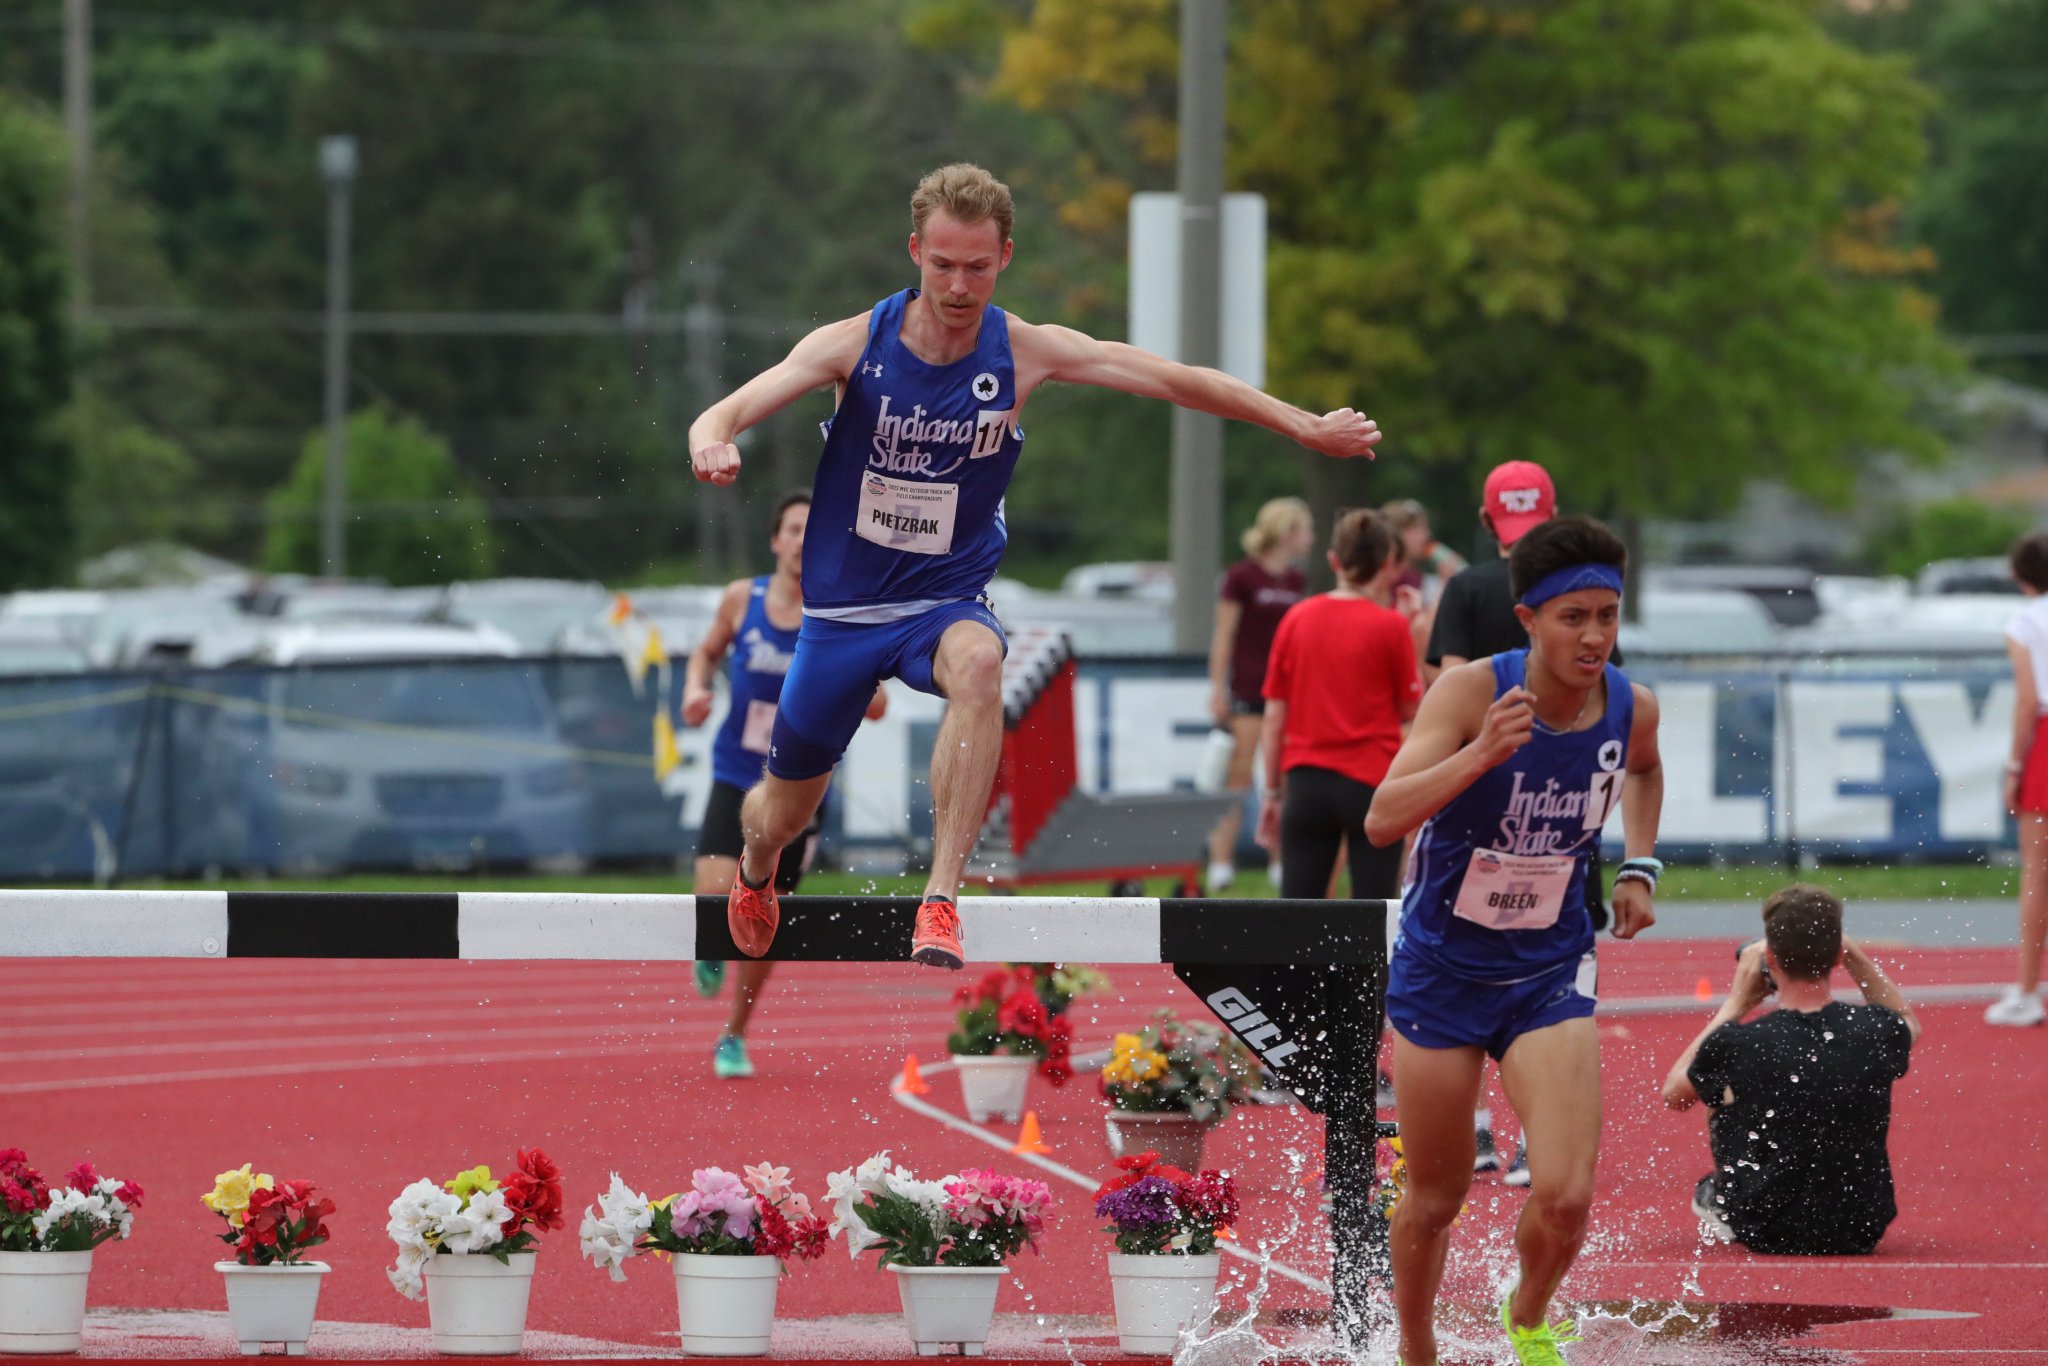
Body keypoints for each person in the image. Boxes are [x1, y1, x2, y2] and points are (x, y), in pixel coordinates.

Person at [688, 163, 1382, 969]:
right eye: (942, 264)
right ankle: (759, 869)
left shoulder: (1024, 352)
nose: (958, 284)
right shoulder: (856, 344)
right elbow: (726, 408)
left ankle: (940, 899)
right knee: (781, 813)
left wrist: (1302, 425)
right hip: (842, 615)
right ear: (915, 250)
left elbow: (1173, 378)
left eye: (977, 267)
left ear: (1005, 258)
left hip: (942, 602)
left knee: (983, 665)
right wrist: (713, 440)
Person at [1363, 515, 1664, 1366]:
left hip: (1547, 970)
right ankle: (1416, 1345)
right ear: (1527, 617)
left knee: (1566, 1196)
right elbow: (1383, 819)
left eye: (1608, 614)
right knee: (1435, 1198)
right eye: (1575, 617)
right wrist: (1481, 753)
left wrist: (1639, 865)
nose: (1596, 636)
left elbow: (1642, 766)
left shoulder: (1629, 706)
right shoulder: (1468, 695)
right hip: (1442, 973)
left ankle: (1526, 1317)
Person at [679, 492, 887, 1079]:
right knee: (715, 887)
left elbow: (875, 701)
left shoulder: (836, 611)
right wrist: (696, 689)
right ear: (776, 540)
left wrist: (860, 690)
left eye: (812, 530)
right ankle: (708, 947)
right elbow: (706, 652)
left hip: (797, 788)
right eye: (792, 529)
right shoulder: (740, 599)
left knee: (764, 918)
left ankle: (735, 1035)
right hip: (734, 771)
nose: (801, 540)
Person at [1660, 884, 1920, 1254]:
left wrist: (1736, 1002)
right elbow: (1908, 1020)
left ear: (1770, 959)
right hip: (1861, 1225)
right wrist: (1854, 956)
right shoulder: (1876, 1030)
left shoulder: (1740, 1042)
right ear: (1837, 957)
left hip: (1766, 1224)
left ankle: (1725, 1194)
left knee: (1718, 1086)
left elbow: (1675, 1094)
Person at [1254, 508, 1420, 900]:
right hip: (1369, 783)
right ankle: (1366, 966)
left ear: (1334, 561)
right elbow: (1413, 713)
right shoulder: (1391, 626)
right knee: (1372, 917)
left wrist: (1273, 794)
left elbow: (1274, 717)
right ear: (1388, 563)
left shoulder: (1296, 619)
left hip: (1307, 781)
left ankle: (1299, 965)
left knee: (1298, 920)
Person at [1205, 496, 1313, 891]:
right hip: (1249, 689)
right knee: (1238, 775)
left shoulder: (1297, 581)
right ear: (1287, 531)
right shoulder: (1243, 576)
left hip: (1286, 692)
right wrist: (1217, 688)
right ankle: (1221, 862)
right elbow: (1224, 635)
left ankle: (1280, 861)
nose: (1311, 537)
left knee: (1282, 780)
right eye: (1305, 529)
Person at [1992, 531, 2048, 1026]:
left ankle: (2028, 992)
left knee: (2037, 871)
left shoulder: (2026, 621)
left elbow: (2028, 700)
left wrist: (2014, 766)